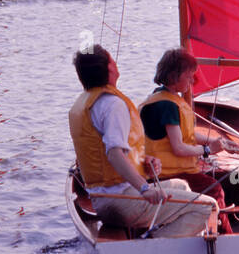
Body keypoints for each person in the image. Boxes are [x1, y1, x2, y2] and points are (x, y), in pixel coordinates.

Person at [68, 44, 218, 238]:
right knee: (208, 206)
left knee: (181, 185)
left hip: (101, 199)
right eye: (112, 59)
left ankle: (167, 238)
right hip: (121, 201)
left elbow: (107, 154)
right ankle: (153, 244)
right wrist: (144, 188)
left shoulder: (86, 103)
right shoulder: (113, 104)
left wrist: (143, 160)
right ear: (109, 68)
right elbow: (114, 154)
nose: (115, 63)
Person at [140, 47, 229, 178]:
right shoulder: (167, 106)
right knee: (215, 188)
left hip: (166, 170)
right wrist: (208, 150)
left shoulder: (162, 97)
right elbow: (179, 148)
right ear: (174, 77)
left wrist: (219, 143)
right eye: (189, 76)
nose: (192, 81)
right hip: (167, 173)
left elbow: (188, 135)